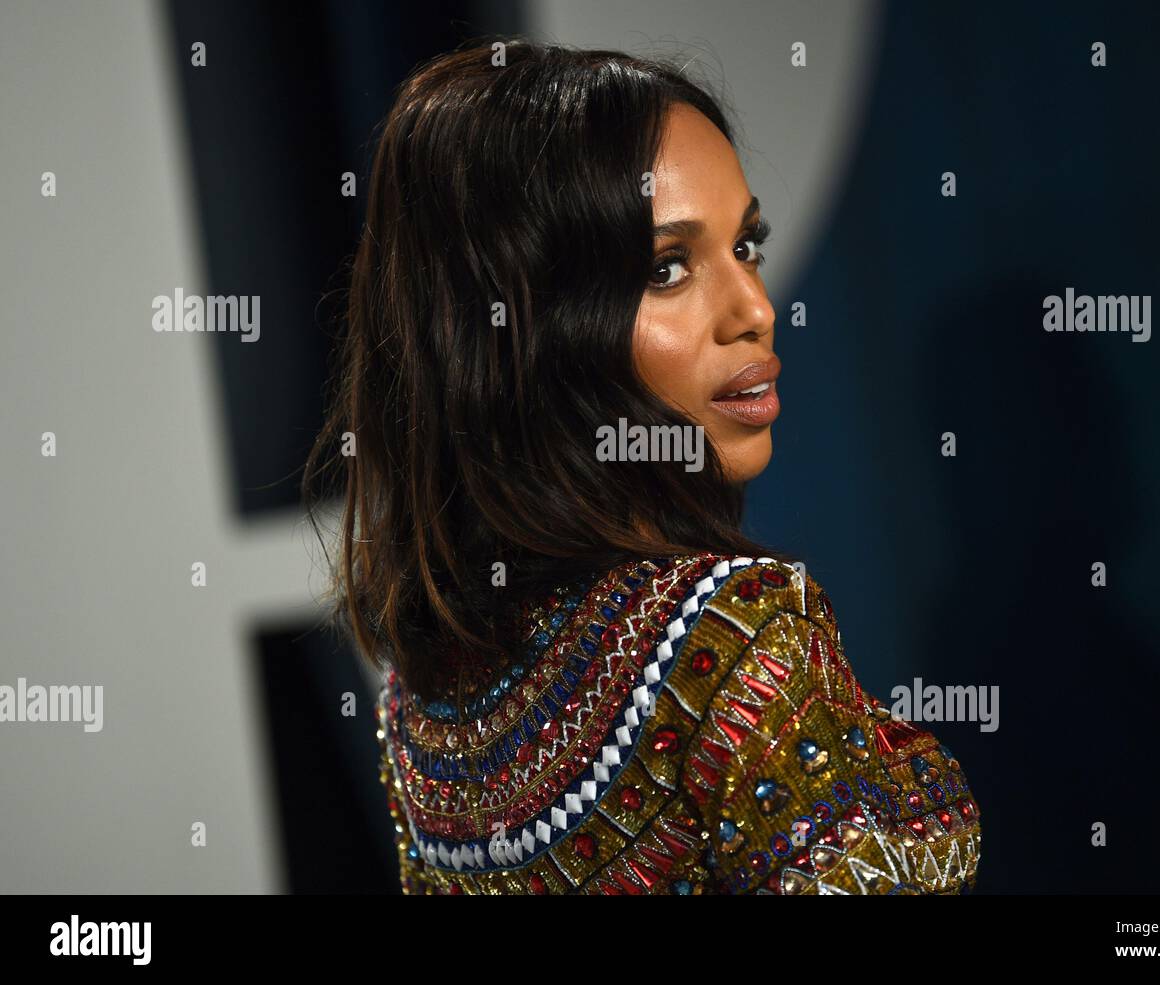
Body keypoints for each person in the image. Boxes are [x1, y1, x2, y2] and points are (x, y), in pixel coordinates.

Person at [303, 38, 981, 894]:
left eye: (747, 246)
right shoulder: (730, 634)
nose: (756, 311)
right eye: (668, 268)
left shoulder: (418, 702)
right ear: (531, 329)